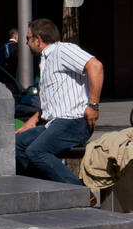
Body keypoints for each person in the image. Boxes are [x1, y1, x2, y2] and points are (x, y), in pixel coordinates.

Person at [15, 19, 104, 187]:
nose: (26, 43)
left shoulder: (63, 50)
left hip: (75, 122)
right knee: (17, 146)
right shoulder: (47, 59)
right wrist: (32, 121)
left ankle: (79, 192)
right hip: (55, 123)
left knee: (37, 151)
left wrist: (93, 105)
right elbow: (54, 99)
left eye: (28, 39)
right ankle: (50, 188)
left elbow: (96, 66)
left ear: (38, 39)